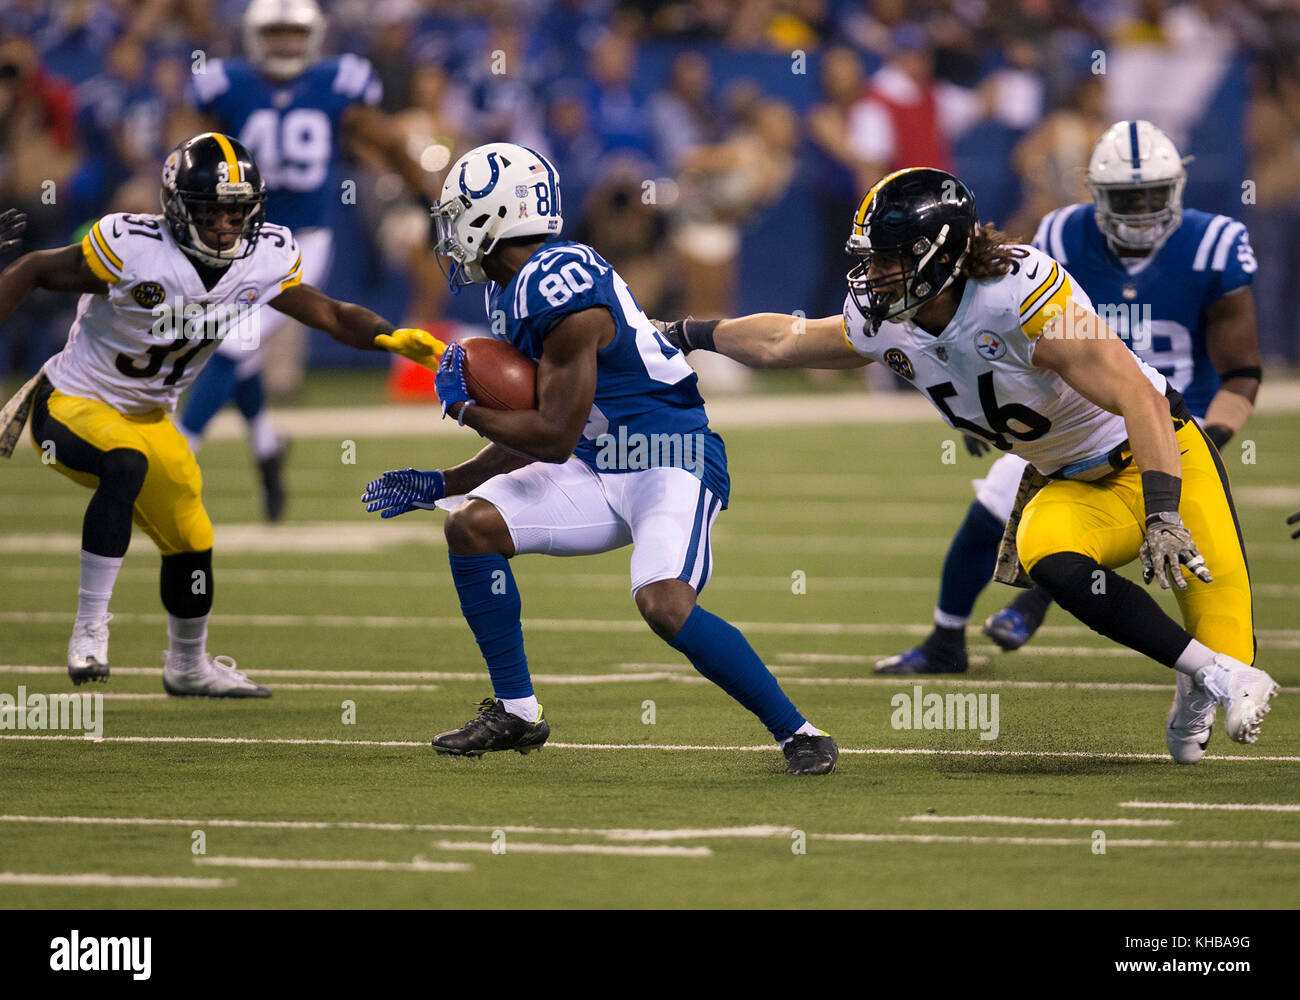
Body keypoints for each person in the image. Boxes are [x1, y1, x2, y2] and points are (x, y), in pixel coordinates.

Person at [653, 165, 1278, 763]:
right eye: (870, 257)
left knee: (1234, 649)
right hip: (1070, 480)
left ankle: (1208, 673)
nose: (873, 274)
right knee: (1051, 560)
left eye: (888, 259)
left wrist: (1164, 513)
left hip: (1162, 453)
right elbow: (784, 339)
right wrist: (687, 332)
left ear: (937, 254)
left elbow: (1139, 398)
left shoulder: (1017, 296)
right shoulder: (888, 323)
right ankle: (1205, 671)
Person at [361, 142, 838, 775]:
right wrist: (446, 483)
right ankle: (517, 711)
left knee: (664, 603)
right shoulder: (513, 290)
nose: (448, 233)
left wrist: (461, 408)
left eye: (459, 214)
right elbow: (552, 426)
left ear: (494, 216)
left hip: (670, 454)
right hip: (595, 459)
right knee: (470, 526)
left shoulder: (560, 287)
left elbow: (551, 434)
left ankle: (799, 732)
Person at [0, 133, 418, 696]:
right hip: (72, 401)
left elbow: (329, 313)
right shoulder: (133, 247)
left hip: (150, 416)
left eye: (236, 211)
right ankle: (89, 628)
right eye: (212, 211)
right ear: (177, 209)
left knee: (193, 541)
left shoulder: (263, 257)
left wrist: (390, 337)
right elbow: (32, 269)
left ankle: (189, 666)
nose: (226, 225)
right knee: (123, 465)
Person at [877, 120, 1263, 673]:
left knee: (1177, 559)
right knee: (994, 502)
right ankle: (946, 636)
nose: (1140, 209)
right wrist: (982, 401)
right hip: (1071, 410)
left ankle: (1038, 605)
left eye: (1153, 195)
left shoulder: (1214, 244)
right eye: (1125, 197)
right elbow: (996, 312)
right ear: (1095, 193)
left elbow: (1243, 373)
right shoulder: (1060, 233)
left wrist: (1208, 436)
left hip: (1176, 414)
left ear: (1177, 188)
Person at [180, 0, 436, 520]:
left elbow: (386, 141)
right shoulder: (225, 83)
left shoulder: (337, 83)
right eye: (274, 33)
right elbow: (190, 151)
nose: (285, 43)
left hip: (301, 244)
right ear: (254, 36)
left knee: (231, 342)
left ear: (313, 36)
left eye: (293, 33)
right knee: (242, 349)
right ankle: (268, 447)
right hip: (235, 237)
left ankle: (177, 454)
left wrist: (428, 200)